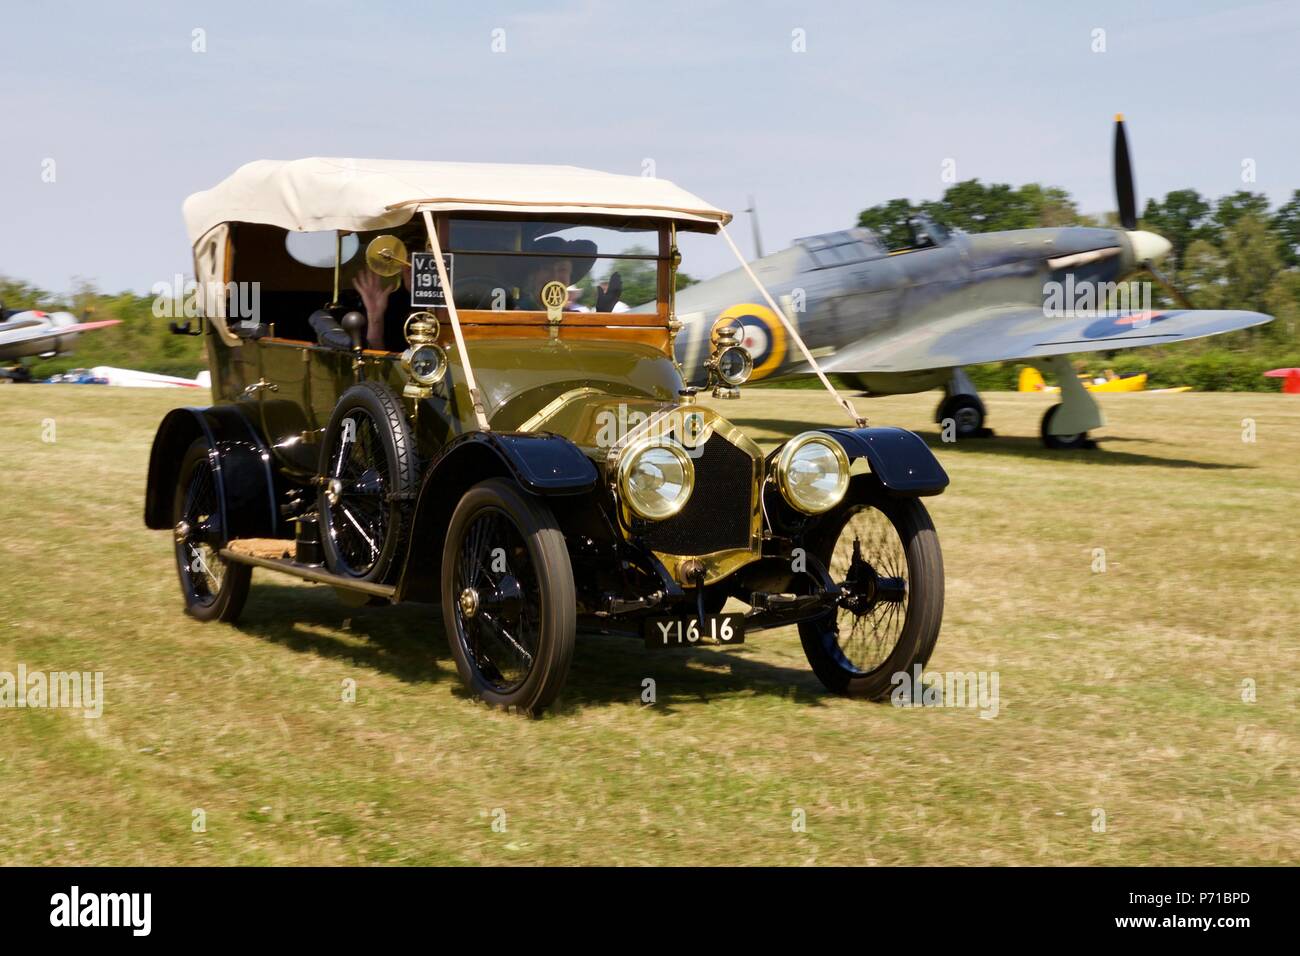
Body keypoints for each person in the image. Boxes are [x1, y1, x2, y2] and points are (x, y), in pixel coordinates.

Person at [353, 262, 413, 352]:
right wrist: (375, 319)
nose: (412, 267)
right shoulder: (391, 304)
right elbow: (377, 358)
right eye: (409, 261)